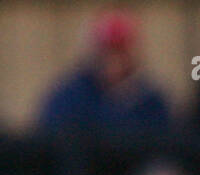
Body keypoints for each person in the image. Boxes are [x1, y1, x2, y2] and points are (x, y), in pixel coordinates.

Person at [38, 9, 169, 132]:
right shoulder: (68, 99)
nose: (114, 59)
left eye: (121, 50)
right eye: (108, 50)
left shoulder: (151, 100)